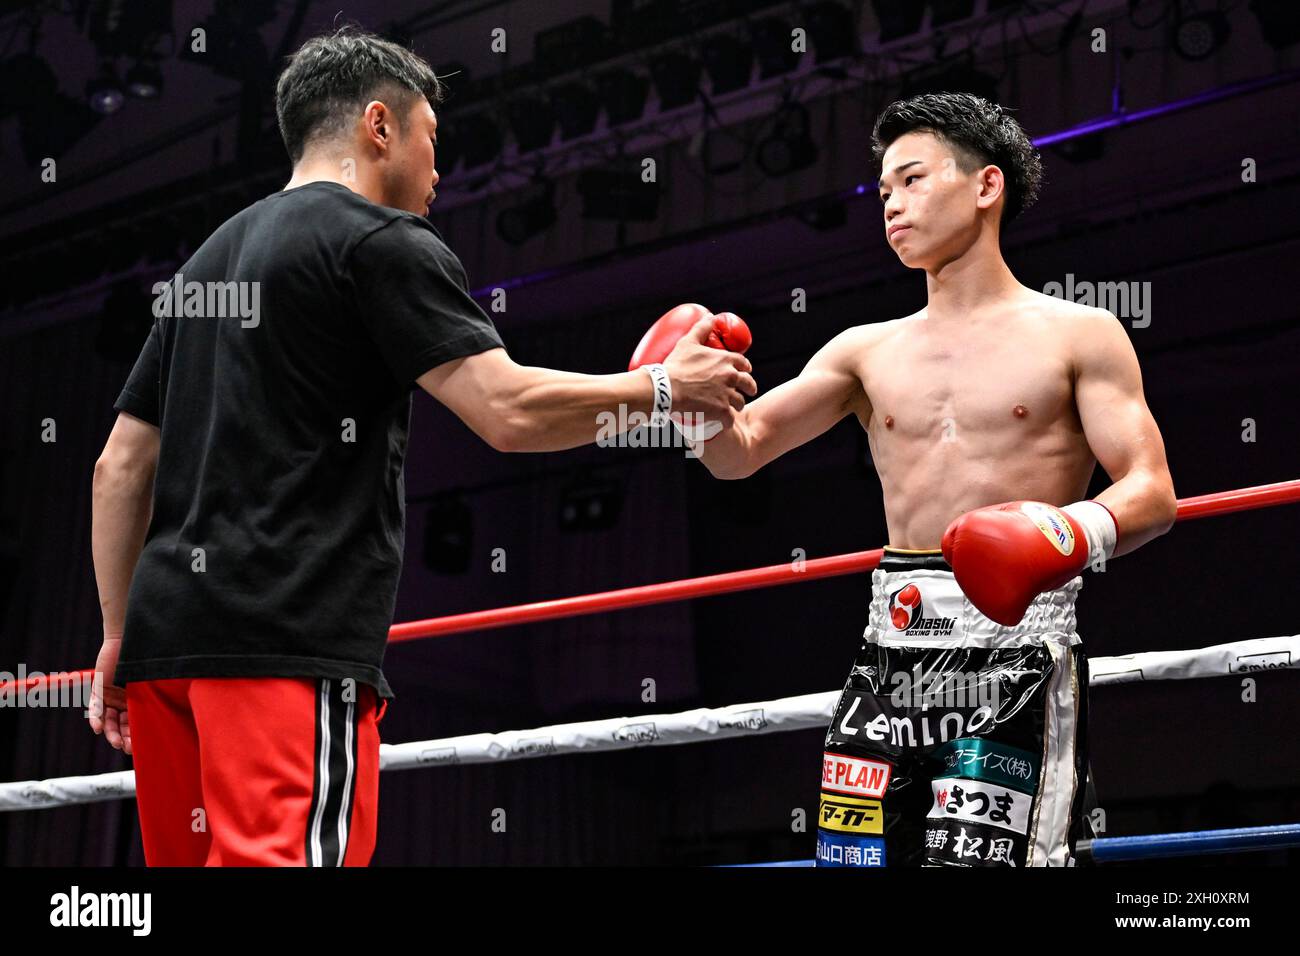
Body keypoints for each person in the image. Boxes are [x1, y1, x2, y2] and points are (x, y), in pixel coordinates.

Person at [87, 26, 756, 867]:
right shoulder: (379, 242)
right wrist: (664, 391)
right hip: (282, 640)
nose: (439, 173)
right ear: (379, 126)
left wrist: (118, 637)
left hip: (166, 654)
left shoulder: (202, 270)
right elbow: (506, 412)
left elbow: (118, 467)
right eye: (432, 139)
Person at [686, 92, 1178, 866]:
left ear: (986, 187)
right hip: (887, 656)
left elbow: (1151, 490)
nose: (892, 205)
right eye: (883, 191)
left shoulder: (1080, 333)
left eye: (913, 180)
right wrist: (688, 399)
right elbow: (737, 452)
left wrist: (1059, 533)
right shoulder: (862, 350)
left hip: (1014, 650)